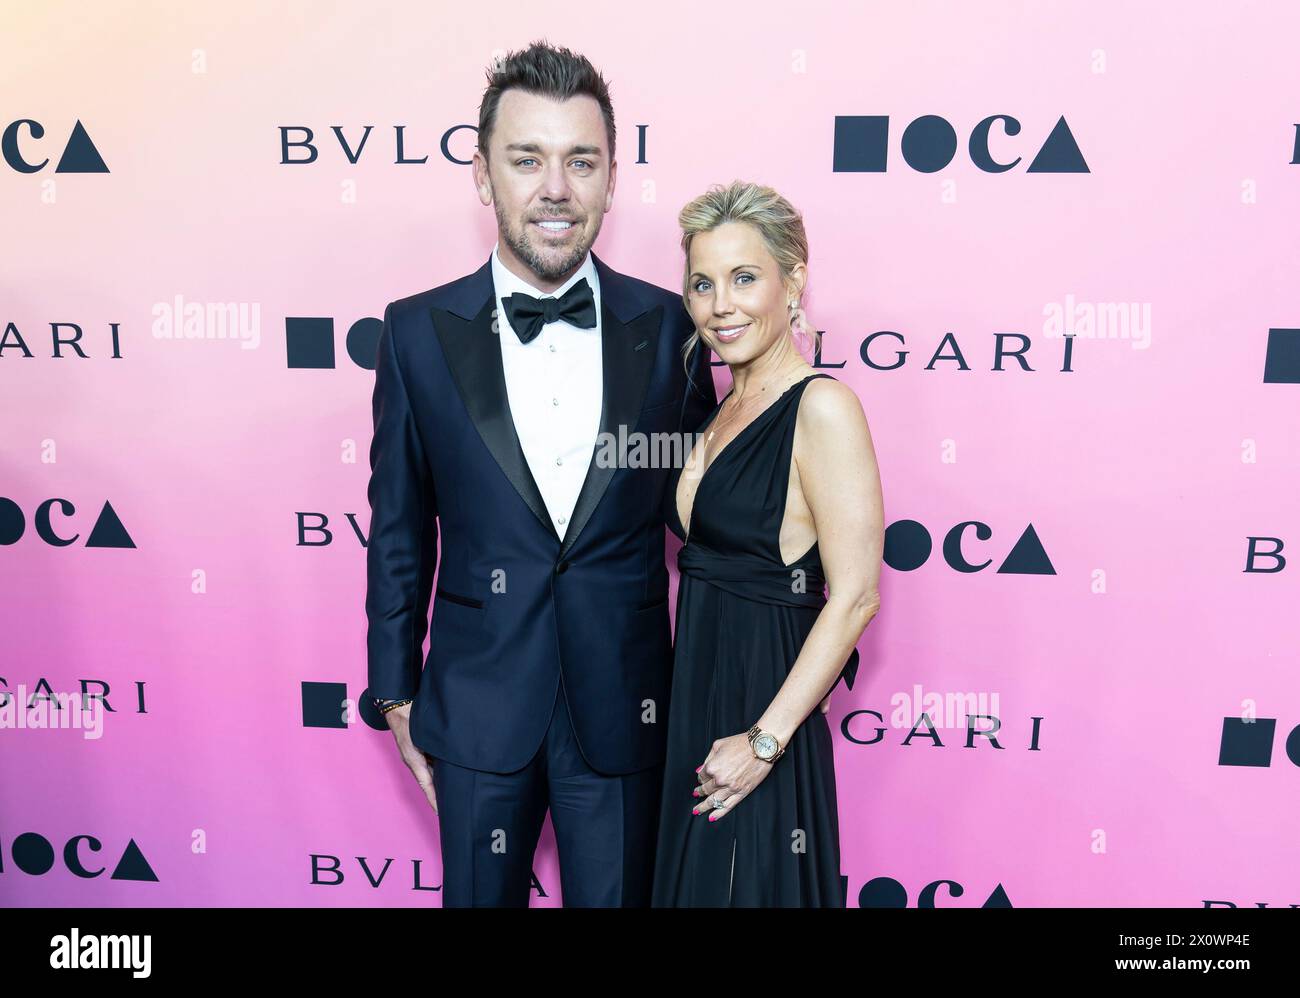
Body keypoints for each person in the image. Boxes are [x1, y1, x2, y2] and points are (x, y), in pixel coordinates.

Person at [364, 40, 716, 907]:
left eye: (579, 161)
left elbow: (702, 508)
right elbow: (399, 529)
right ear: (484, 176)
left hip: (629, 704)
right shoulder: (415, 333)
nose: (555, 188)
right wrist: (394, 689)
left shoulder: (673, 328)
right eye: (528, 160)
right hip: (477, 704)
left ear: (610, 178)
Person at [651, 181, 884, 906]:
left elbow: (854, 597)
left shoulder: (823, 406)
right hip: (696, 710)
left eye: (745, 278)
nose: (721, 304)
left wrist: (761, 743)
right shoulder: (719, 409)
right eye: (702, 284)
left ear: (794, 281)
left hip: (760, 718)